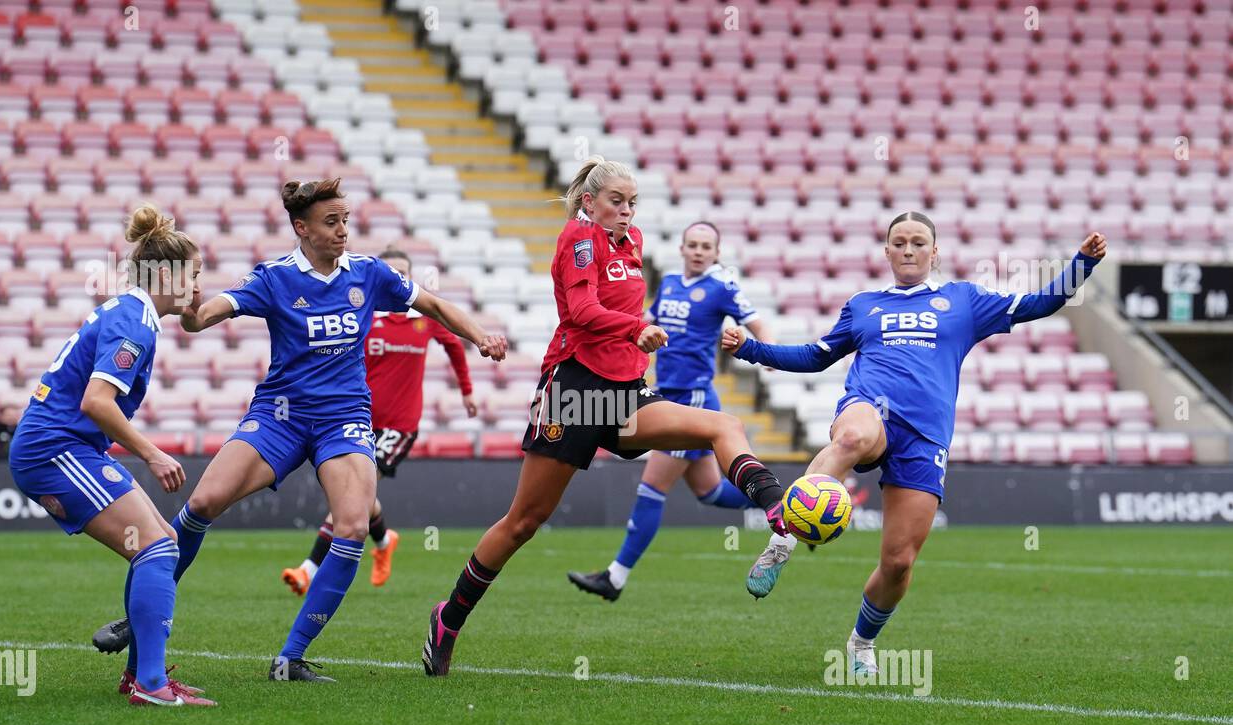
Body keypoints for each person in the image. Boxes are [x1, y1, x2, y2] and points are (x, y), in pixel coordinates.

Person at [91, 178, 506, 683]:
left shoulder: (370, 274)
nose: (343, 232)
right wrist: (193, 308)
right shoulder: (276, 278)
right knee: (201, 504)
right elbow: (208, 314)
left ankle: (290, 658)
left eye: (345, 221)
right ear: (301, 228)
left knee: (352, 527)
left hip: (346, 419)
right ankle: (141, 617)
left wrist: (482, 335)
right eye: (331, 222)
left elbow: (436, 306)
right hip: (278, 418)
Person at [421, 156, 793, 677]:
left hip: (626, 393)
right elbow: (579, 312)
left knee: (723, 426)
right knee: (525, 522)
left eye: (632, 202)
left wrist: (637, 338)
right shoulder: (578, 237)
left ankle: (779, 510)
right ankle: (449, 616)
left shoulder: (632, 240)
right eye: (616, 201)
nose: (626, 210)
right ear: (590, 201)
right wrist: (635, 327)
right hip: (575, 391)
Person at [722, 212, 1107, 673]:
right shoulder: (864, 304)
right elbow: (817, 356)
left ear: (934, 252)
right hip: (871, 408)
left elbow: (1038, 305)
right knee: (852, 435)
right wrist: (750, 347)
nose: (908, 250)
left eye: (918, 243)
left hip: (925, 438)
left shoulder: (964, 301)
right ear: (886, 252)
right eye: (899, 242)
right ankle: (784, 534)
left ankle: (861, 644)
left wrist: (1080, 264)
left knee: (899, 561)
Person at [10, 203, 213, 706]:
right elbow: (95, 401)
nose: (199, 282)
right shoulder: (135, 323)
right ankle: (148, 685)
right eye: (195, 273)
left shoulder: (132, 311)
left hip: (61, 445)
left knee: (160, 542)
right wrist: (152, 453)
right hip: (54, 449)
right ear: (166, 273)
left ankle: (141, 675)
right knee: (158, 548)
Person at [568, 221, 775, 600]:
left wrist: (769, 352)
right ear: (681, 249)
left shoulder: (721, 286)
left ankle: (614, 577)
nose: (698, 251)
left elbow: (755, 319)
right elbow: (647, 321)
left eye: (706, 246)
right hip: (667, 395)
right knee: (710, 492)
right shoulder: (671, 284)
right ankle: (790, 504)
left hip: (692, 398)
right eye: (692, 244)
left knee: (651, 488)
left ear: (716, 253)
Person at [279, 247, 477, 595]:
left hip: (400, 426)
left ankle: (308, 570)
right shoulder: (364, 316)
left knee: (354, 494)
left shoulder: (424, 318)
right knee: (362, 497)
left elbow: (455, 347)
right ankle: (384, 541)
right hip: (357, 419)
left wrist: (467, 391)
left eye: (405, 273)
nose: (399, 279)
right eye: (393, 273)